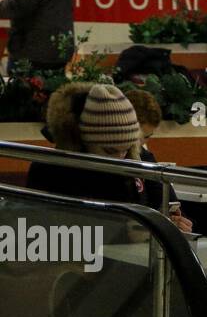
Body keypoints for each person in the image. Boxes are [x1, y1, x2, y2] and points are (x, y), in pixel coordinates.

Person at [27, 83, 191, 232]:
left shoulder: (141, 159)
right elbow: (44, 235)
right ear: (81, 142)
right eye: (109, 150)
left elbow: (167, 205)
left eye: (127, 149)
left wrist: (172, 224)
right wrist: (129, 233)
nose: (120, 157)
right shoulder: (50, 170)